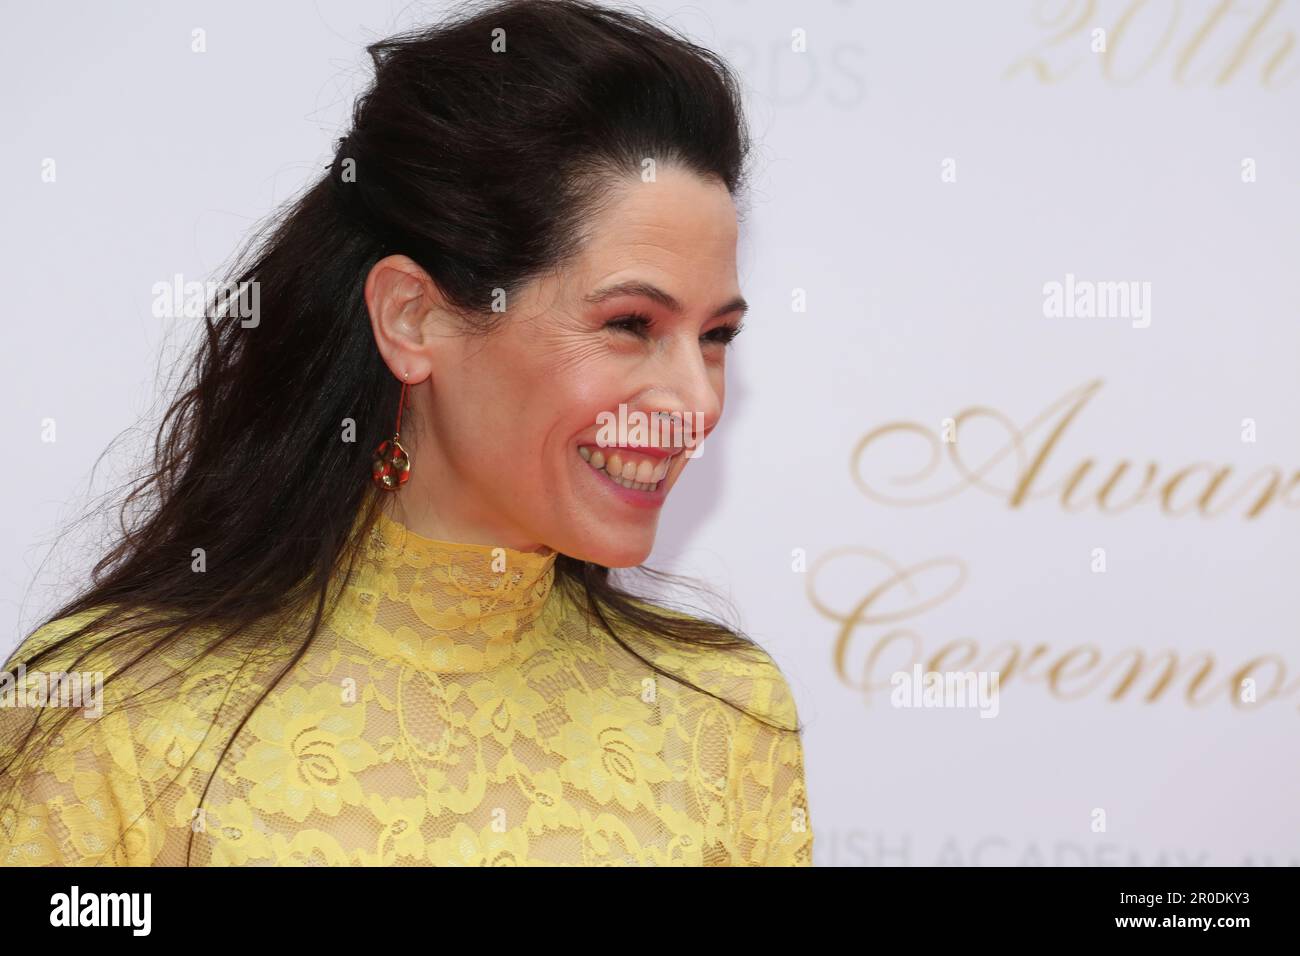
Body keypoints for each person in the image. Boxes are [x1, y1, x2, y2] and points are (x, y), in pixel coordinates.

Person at [0, 0, 812, 866]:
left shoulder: (725, 713)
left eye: (717, 336)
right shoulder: (111, 714)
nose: (695, 400)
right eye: (629, 324)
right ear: (414, 318)